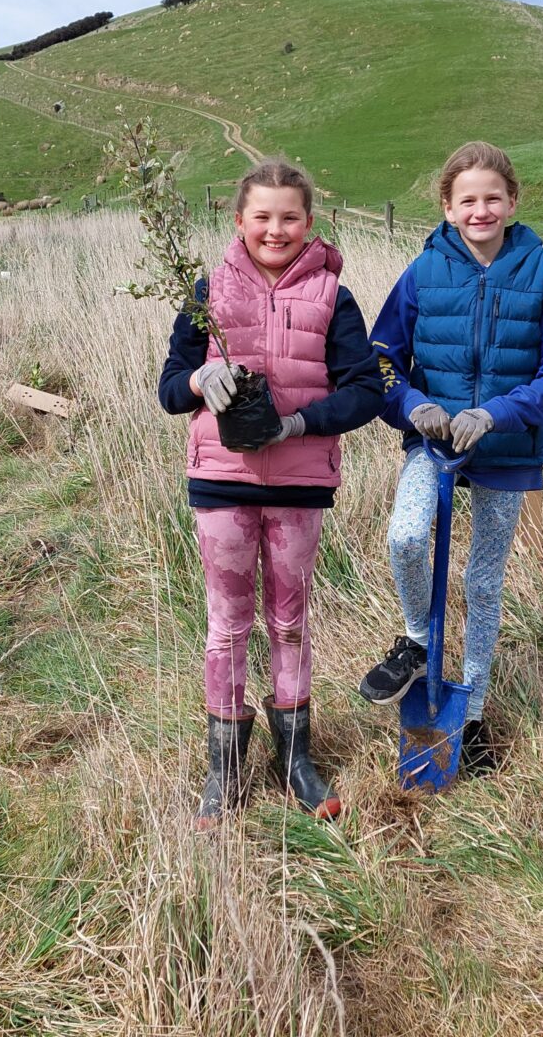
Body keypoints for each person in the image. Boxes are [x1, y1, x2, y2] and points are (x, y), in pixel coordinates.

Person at [157, 158, 382, 827]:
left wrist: (297, 422)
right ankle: (223, 773)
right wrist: (203, 380)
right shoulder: (205, 294)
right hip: (220, 482)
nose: (275, 229)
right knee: (226, 626)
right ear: (239, 222)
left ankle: (296, 765)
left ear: (308, 223)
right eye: (262, 217)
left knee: (288, 622)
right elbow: (169, 389)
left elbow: (365, 391)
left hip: (298, 485)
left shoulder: (333, 298)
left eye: (289, 217)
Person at [358, 142, 543, 773]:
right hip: (433, 446)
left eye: (493, 198)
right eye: (467, 200)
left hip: (505, 450)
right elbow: (378, 360)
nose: (480, 209)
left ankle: (474, 714)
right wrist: (411, 404)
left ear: (513, 201)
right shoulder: (423, 273)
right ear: (447, 207)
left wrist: (496, 414)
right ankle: (415, 640)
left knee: (482, 584)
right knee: (405, 537)